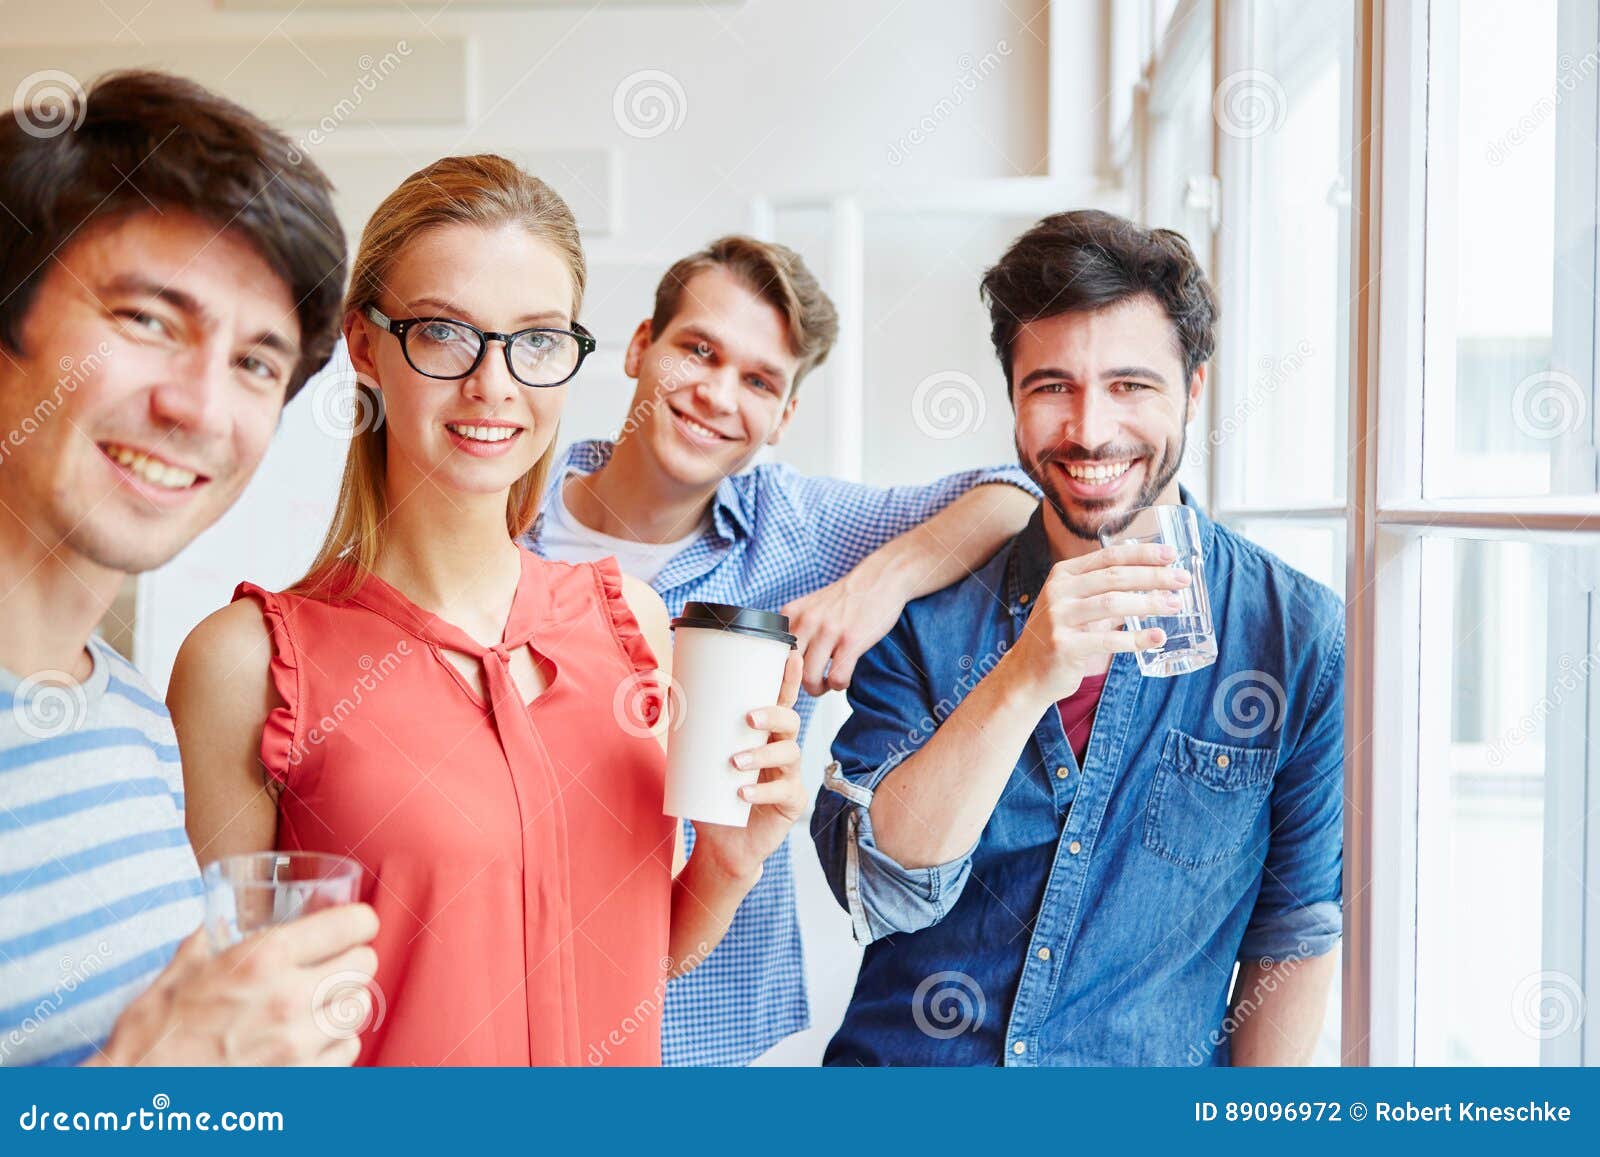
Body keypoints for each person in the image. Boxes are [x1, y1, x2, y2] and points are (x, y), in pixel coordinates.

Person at [168, 155, 809, 1067]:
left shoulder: (631, 626)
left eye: (537, 340)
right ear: (363, 345)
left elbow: (629, 972)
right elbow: (228, 1049)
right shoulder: (248, 666)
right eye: (443, 333)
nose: (494, 384)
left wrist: (732, 861)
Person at [812, 210, 1344, 1066]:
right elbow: (882, 888)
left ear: (1194, 390)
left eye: (1132, 385)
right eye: (1052, 385)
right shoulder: (928, 608)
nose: (1091, 429)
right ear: (1013, 397)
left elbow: (1295, 932)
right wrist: (1024, 676)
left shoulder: (1296, 635)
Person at [526, 234, 1040, 1065]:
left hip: (696, 1026)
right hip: (520, 986)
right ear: (638, 347)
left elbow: (1018, 499)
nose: (717, 394)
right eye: (698, 350)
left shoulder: (792, 528)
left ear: (784, 415)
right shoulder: (513, 519)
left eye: (760, 380)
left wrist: (876, 586)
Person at [0, 70, 377, 1067]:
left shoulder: (129, 717)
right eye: (147, 319)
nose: (202, 408)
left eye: (256, 361)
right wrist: (152, 1079)